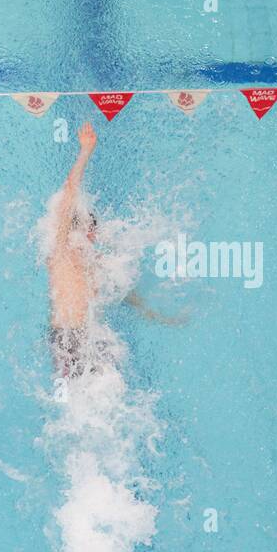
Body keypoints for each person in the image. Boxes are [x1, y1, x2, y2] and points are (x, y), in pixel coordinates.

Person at [46, 123, 183, 380]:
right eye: (90, 230)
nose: (93, 236)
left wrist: (162, 317)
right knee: (64, 399)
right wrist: (85, 152)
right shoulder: (62, 251)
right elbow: (68, 197)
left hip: (90, 337)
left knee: (103, 391)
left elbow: (128, 296)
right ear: (78, 229)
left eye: (94, 232)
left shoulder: (96, 263)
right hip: (65, 338)